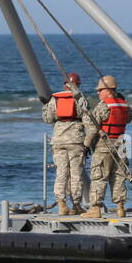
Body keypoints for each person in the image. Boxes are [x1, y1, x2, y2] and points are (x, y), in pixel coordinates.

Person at [82, 75, 132, 218]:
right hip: (122, 143)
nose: (98, 93)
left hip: (105, 144)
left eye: (100, 90)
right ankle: (120, 208)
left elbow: (92, 128)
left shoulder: (103, 106)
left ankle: (95, 209)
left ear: (108, 90)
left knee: (99, 176)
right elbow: (129, 119)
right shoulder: (124, 104)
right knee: (119, 176)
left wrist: (86, 145)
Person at [43, 71, 93, 215]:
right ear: (78, 85)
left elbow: (48, 119)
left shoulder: (55, 99)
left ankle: (61, 204)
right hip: (76, 140)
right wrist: (89, 141)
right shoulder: (81, 99)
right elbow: (88, 120)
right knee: (76, 173)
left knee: (61, 173)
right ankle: (76, 205)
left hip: (58, 139)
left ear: (65, 85)